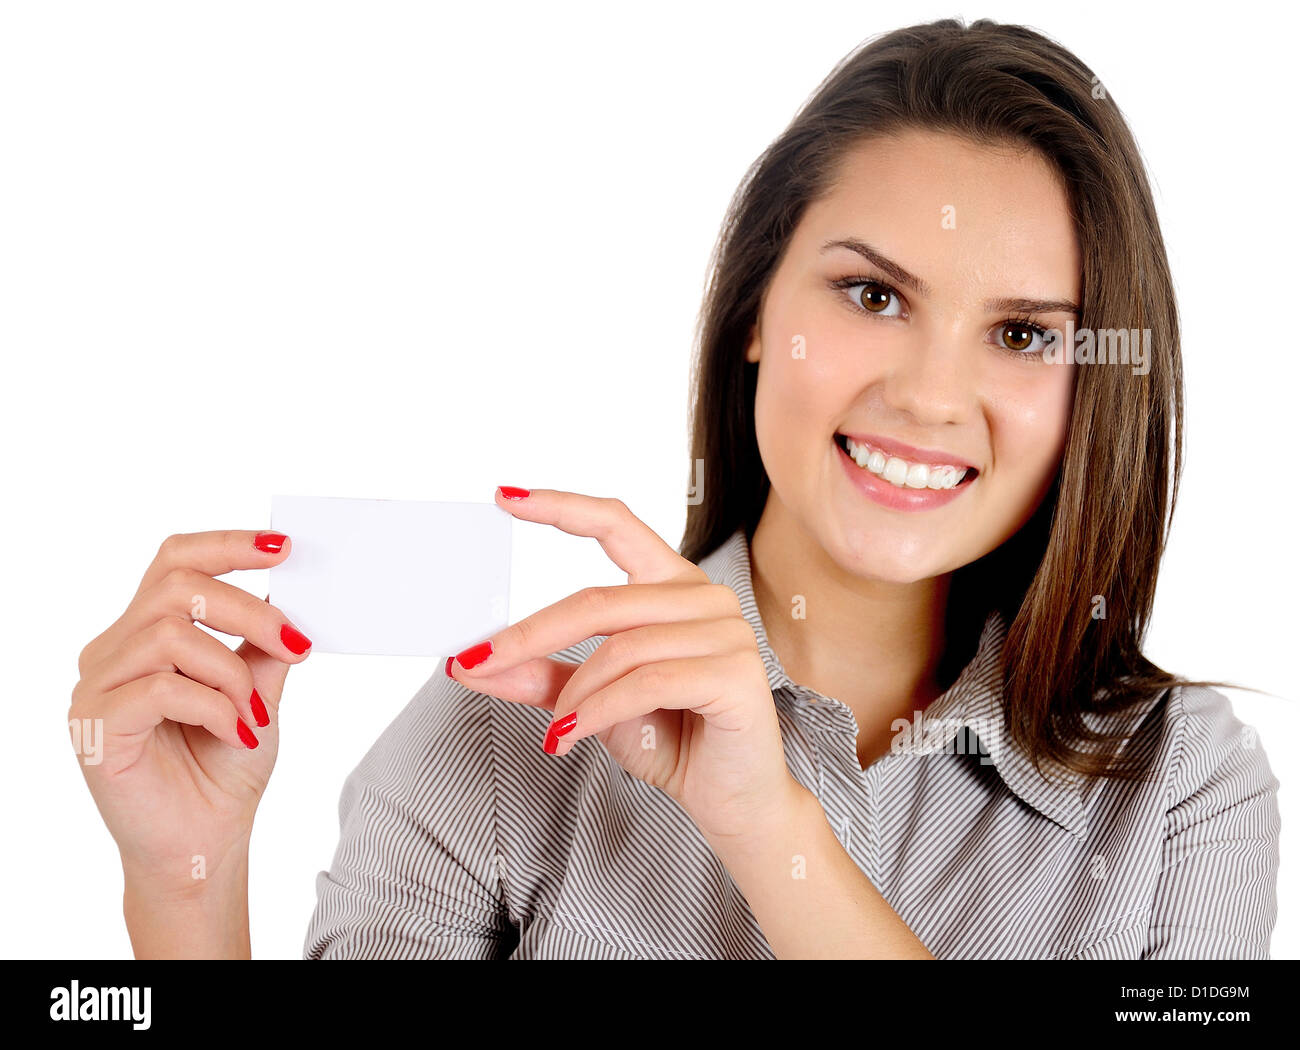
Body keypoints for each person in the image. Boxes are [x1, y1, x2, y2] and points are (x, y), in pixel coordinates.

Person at [70, 18, 1280, 959]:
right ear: (757, 309)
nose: (927, 396)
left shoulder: (1183, 796)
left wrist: (771, 831)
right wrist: (186, 881)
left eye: (1022, 335)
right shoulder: (501, 736)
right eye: (871, 297)